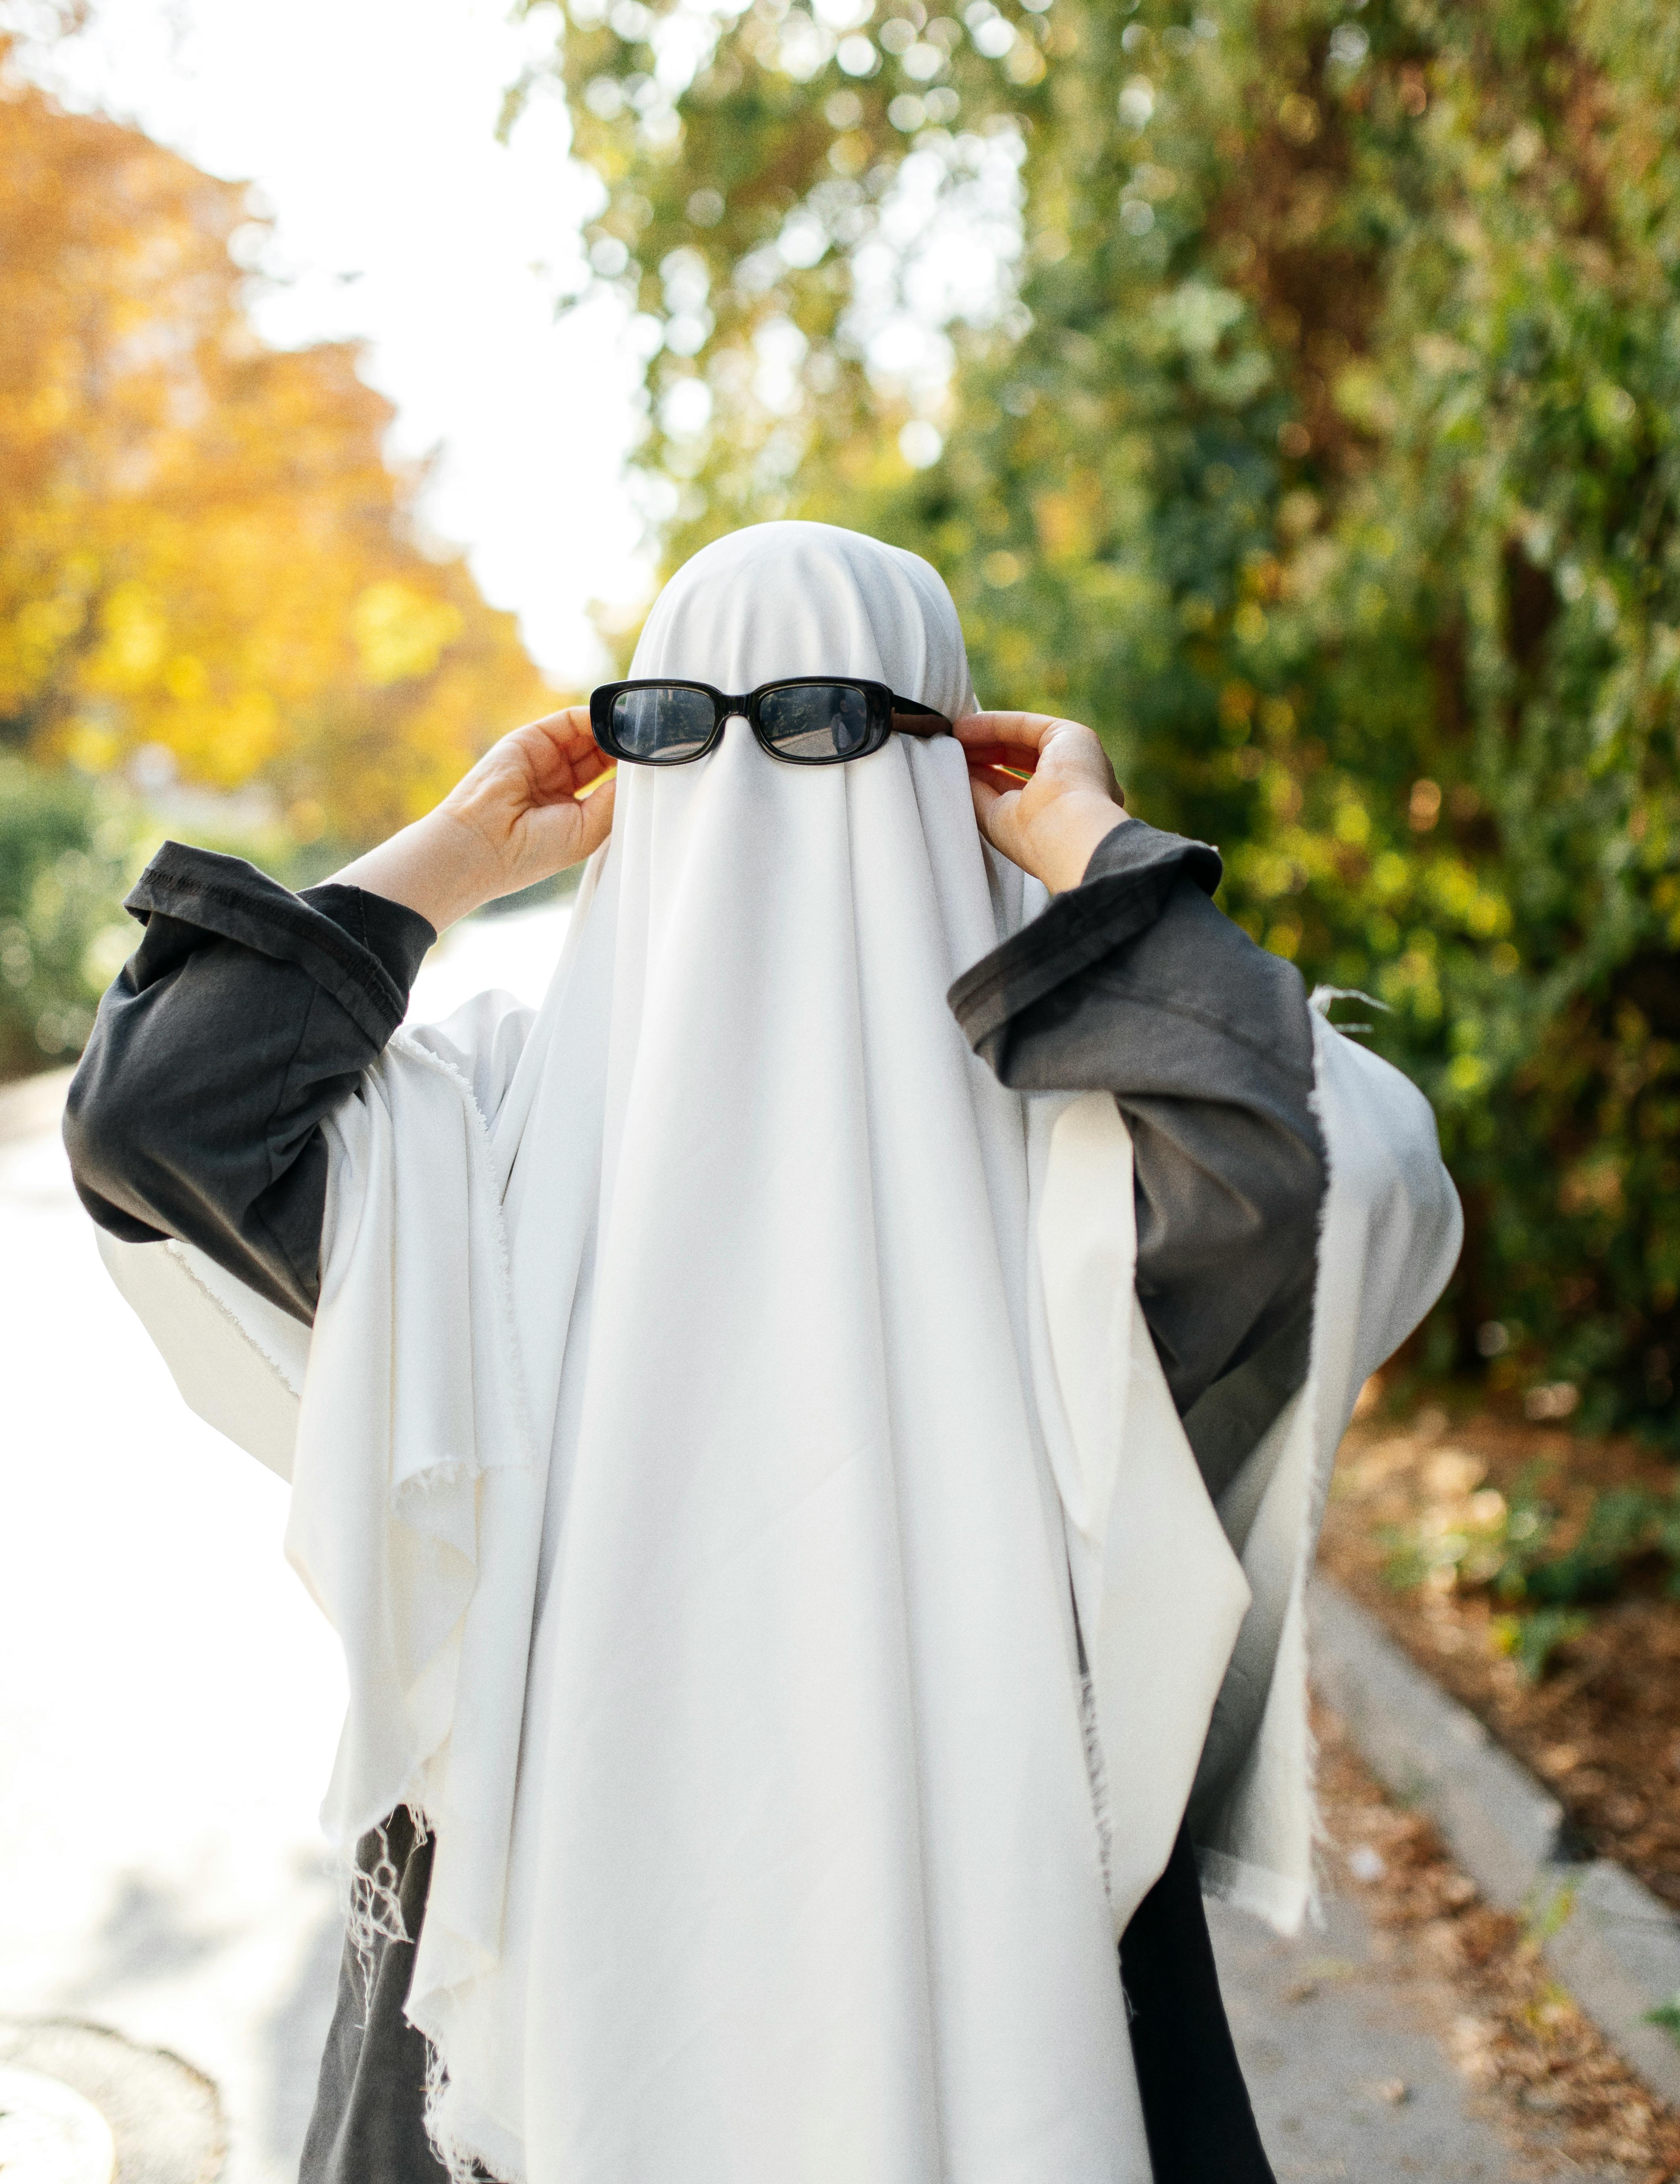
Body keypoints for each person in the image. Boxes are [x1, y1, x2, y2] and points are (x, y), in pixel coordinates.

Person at [66, 521, 1460, 2184]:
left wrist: (440, 861)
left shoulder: (1035, 1138)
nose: (748, 783)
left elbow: (166, 1110)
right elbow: (1322, 1160)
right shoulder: (1067, 1142)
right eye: (683, 718)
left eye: (818, 724)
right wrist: (1090, 848)